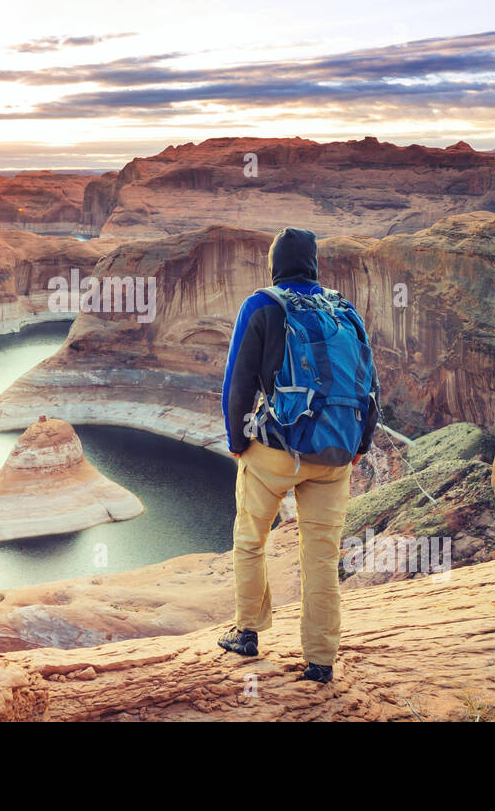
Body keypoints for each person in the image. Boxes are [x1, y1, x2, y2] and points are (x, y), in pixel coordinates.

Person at [218, 226, 380, 684]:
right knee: (321, 557)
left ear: (274, 263)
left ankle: (248, 632)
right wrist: (358, 447)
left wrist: (236, 442)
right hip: (334, 455)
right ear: (313, 263)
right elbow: (368, 384)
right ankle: (321, 660)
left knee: (251, 539)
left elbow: (237, 383)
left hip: (276, 452)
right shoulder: (342, 308)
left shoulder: (262, 304)